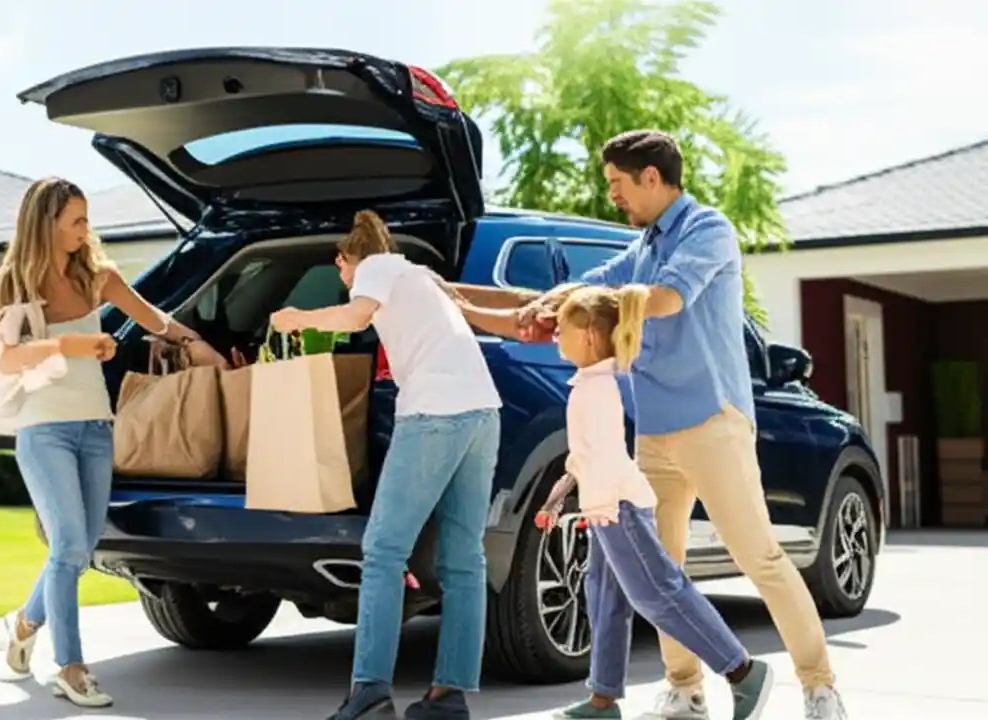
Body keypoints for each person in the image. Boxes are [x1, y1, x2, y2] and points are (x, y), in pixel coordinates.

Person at [457, 130, 846, 720]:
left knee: (760, 557)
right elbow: (589, 284)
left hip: (712, 422)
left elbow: (666, 298)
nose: (613, 195)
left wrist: (589, 301)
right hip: (655, 433)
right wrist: (532, 300)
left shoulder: (707, 230)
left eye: (618, 184)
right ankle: (685, 689)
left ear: (652, 178)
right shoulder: (643, 245)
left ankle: (820, 687)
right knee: (661, 570)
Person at [0, 177, 224, 707]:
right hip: (43, 431)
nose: (85, 229)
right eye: (75, 220)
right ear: (46, 223)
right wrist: (71, 344)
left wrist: (197, 345)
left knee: (81, 547)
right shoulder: (13, 284)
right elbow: (8, 358)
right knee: (69, 545)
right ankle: (71, 669)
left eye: (86, 218)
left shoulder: (98, 277)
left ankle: (24, 623)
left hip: (96, 429)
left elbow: (154, 318)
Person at [270, 209, 502, 720]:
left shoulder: (374, 268)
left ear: (344, 260)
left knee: (383, 551)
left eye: (341, 270)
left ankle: (370, 691)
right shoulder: (418, 274)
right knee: (464, 559)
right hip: (484, 413)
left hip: (434, 413)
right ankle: (449, 696)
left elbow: (355, 318)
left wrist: (299, 318)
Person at [535, 283, 772, 720]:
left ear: (590, 335)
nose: (555, 336)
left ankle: (742, 671)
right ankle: (603, 699)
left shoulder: (600, 389)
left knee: (658, 593)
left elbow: (606, 457)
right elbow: (583, 458)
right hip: (606, 507)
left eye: (562, 329)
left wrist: (603, 508)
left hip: (618, 508)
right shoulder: (591, 384)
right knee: (604, 597)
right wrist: (558, 501)